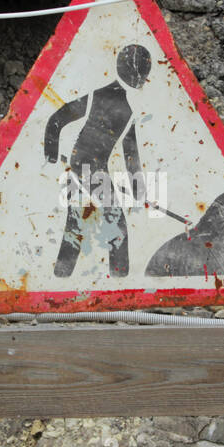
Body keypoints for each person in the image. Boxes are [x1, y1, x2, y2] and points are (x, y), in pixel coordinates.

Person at [44, 43, 151, 277]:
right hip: (87, 170)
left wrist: (51, 153)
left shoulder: (114, 104)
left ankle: (63, 276)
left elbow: (56, 119)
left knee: (78, 221)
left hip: (89, 169)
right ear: (137, 74)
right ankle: (118, 278)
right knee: (111, 225)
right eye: (145, 73)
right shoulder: (103, 100)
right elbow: (57, 119)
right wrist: (138, 190)